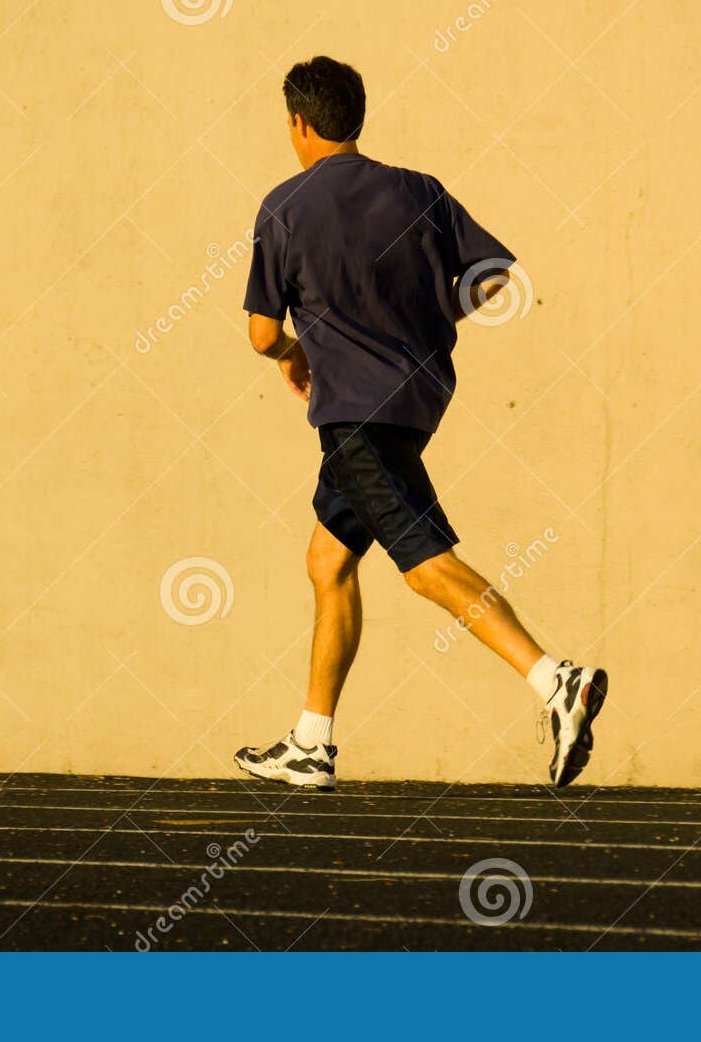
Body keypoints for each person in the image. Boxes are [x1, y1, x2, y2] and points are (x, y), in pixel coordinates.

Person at [233, 56, 606, 791]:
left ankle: (553, 678)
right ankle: (312, 742)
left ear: (299, 124)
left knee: (424, 562)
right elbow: (492, 275)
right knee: (328, 560)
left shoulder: (285, 205)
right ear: (357, 115)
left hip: (353, 415)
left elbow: (258, 331)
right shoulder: (420, 191)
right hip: (415, 404)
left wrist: (293, 351)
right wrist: (426, 323)